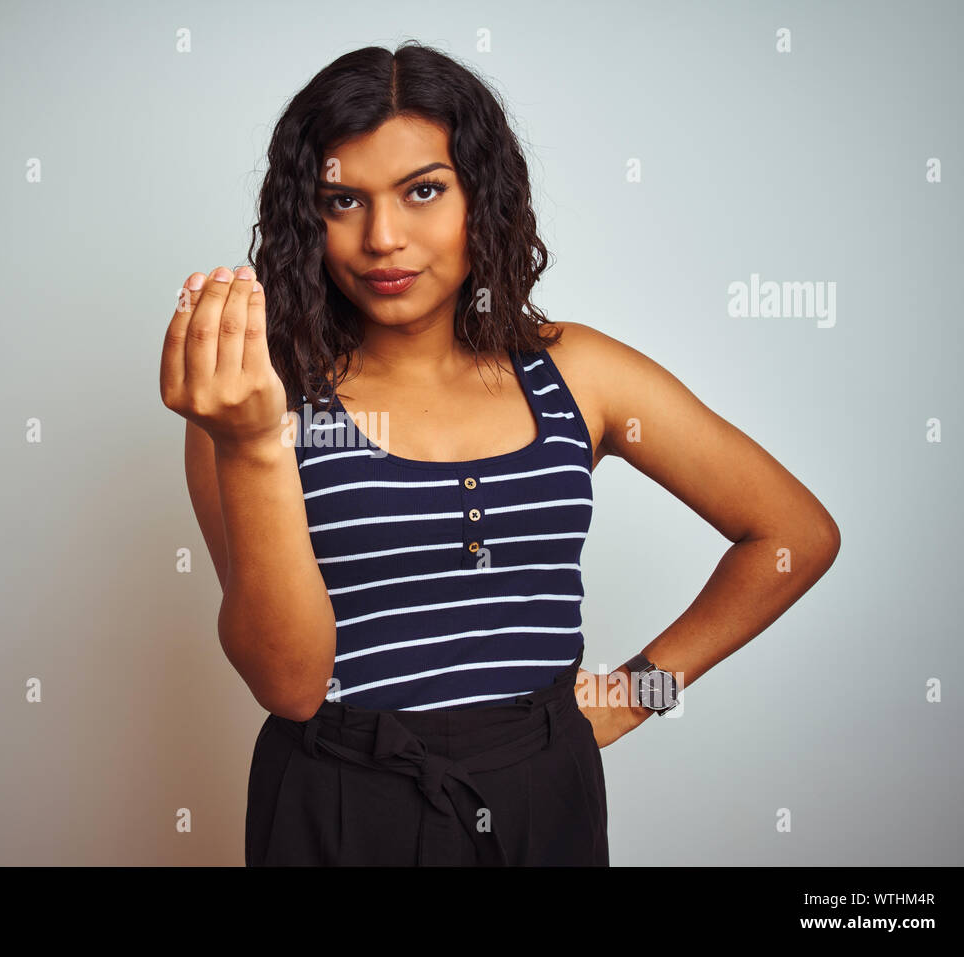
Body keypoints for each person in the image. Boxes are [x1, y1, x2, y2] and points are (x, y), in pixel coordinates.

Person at [159, 42, 840, 866]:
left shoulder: (579, 373)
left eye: (423, 191)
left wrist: (632, 697)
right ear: (309, 215)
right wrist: (252, 445)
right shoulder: (258, 400)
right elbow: (290, 685)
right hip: (337, 801)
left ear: (483, 195)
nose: (383, 237)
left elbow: (794, 533)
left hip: (544, 792)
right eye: (344, 199)